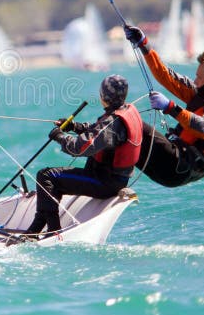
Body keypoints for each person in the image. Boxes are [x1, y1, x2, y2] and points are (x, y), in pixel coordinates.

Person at [24, 75, 143, 237]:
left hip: (104, 182)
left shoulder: (111, 123)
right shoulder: (125, 112)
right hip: (116, 180)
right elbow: (98, 132)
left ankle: (53, 232)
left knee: (46, 176)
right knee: (53, 181)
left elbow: (80, 148)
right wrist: (75, 126)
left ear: (103, 96)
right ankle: (35, 229)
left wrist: (59, 136)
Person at [124, 24, 204, 187]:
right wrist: (144, 44)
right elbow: (165, 75)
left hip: (182, 167)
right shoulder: (199, 93)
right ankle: (108, 183)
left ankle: (106, 182)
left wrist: (171, 107)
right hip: (172, 163)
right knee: (120, 132)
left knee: (128, 122)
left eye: (199, 77)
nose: (195, 81)